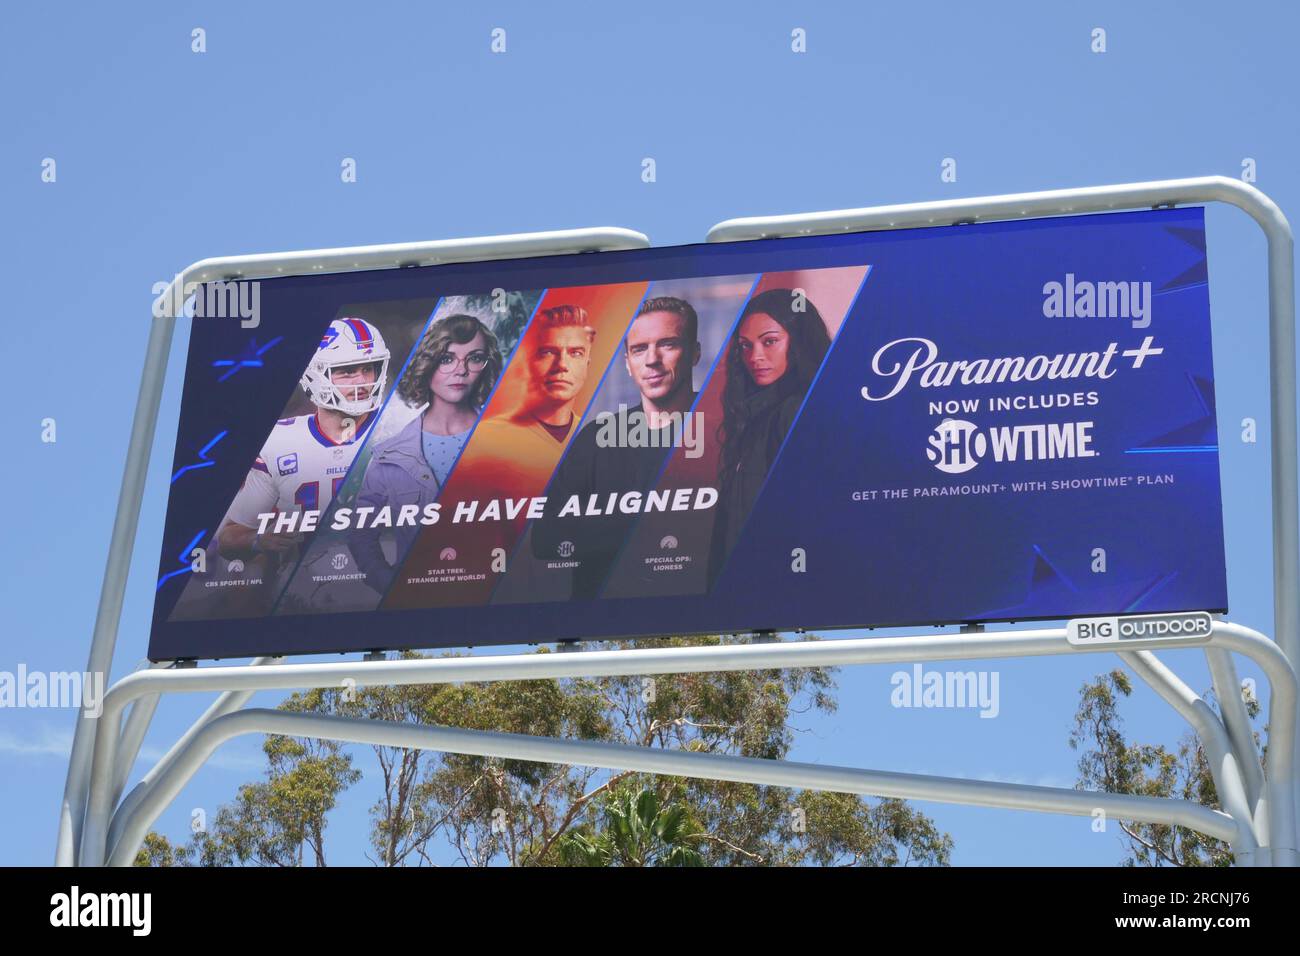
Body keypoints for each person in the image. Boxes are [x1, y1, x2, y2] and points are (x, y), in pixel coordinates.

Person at [531, 295, 702, 597]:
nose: (652, 360)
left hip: (704, 619)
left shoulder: (726, 427)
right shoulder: (596, 438)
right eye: (639, 349)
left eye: (667, 344)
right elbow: (545, 538)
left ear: (694, 353)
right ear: (627, 363)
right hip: (608, 628)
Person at [216, 317, 390, 574]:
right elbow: (228, 539)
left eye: (369, 369)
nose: (362, 381)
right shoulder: (278, 441)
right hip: (304, 594)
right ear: (315, 375)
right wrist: (259, 540)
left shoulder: (400, 427)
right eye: (348, 370)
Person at [350, 313, 503, 588]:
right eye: (447, 359)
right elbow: (361, 536)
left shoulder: (510, 444)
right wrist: (391, 587)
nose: (461, 370)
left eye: (475, 358)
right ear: (427, 364)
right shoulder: (389, 456)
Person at [707, 288, 830, 586]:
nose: (755, 357)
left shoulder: (798, 410)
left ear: (798, 341)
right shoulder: (752, 417)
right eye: (745, 346)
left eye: (770, 341)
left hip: (781, 586)